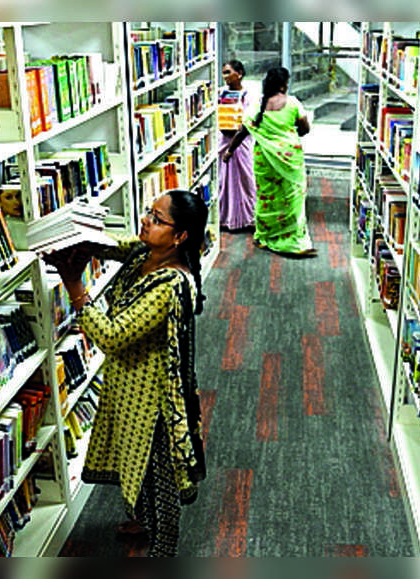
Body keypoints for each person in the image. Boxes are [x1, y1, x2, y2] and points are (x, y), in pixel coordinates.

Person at [42, 190, 208, 557]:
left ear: (180, 237)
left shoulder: (170, 284)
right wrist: (73, 236)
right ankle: (143, 520)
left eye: (157, 218)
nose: (146, 220)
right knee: (137, 466)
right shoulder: (147, 254)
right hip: (129, 386)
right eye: (149, 211)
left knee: (159, 476)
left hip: (155, 401)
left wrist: (75, 287)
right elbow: (116, 245)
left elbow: (112, 336)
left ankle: (163, 548)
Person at [222, 66, 315, 257]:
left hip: (263, 160)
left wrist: (230, 151)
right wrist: (286, 136)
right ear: (284, 84)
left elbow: (243, 131)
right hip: (289, 160)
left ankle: (263, 236)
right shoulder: (293, 103)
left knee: (266, 198)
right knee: (292, 198)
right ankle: (293, 242)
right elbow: (305, 128)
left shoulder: (257, 106)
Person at [217, 59, 257, 231]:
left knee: (245, 181)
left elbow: (250, 121)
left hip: (242, 143)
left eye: (228, 72)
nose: (225, 77)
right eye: (223, 73)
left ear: (239, 74)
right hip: (223, 140)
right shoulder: (220, 94)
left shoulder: (249, 96)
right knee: (223, 181)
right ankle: (225, 218)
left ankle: (247, 218)